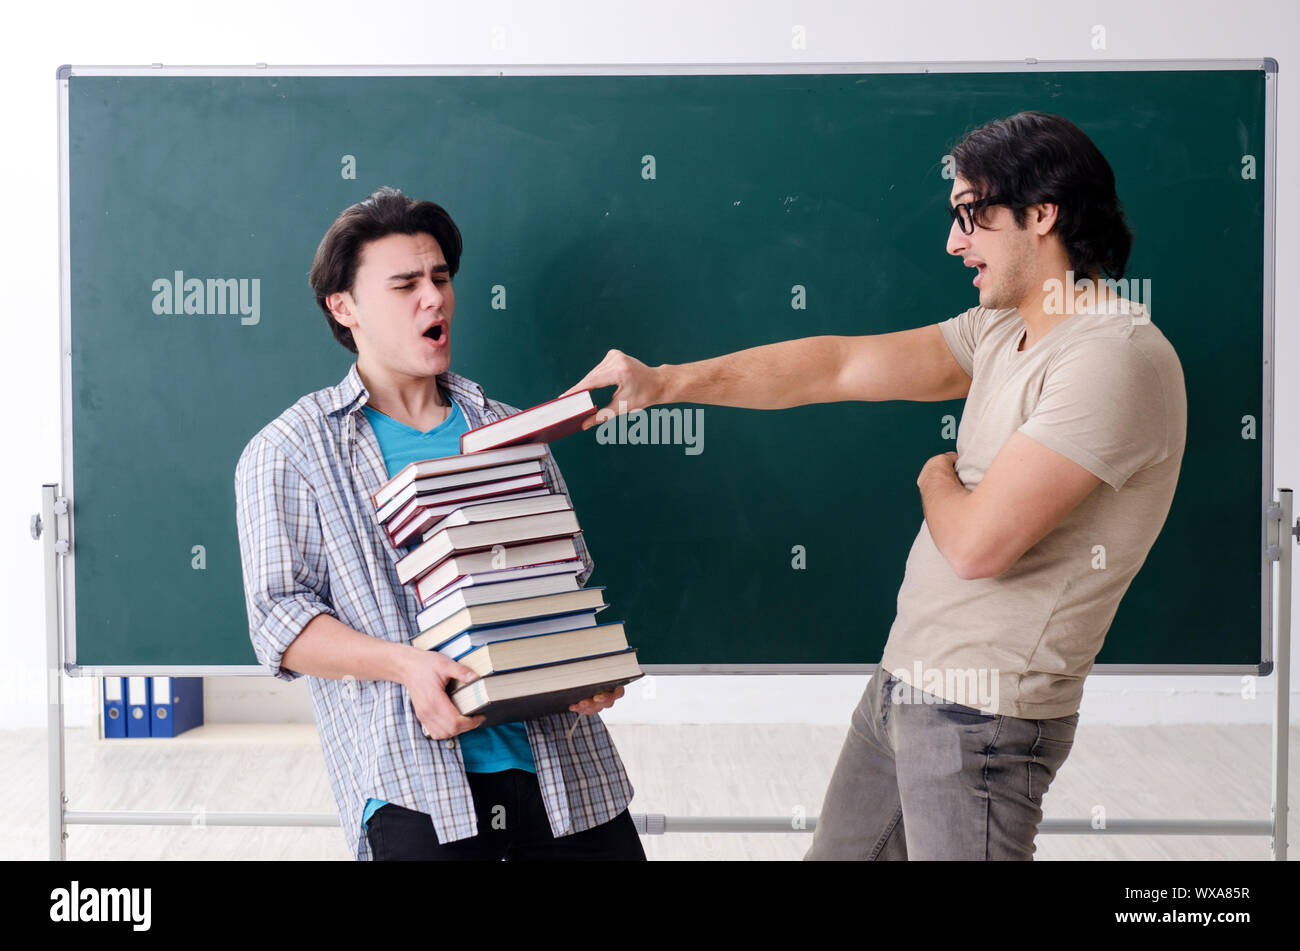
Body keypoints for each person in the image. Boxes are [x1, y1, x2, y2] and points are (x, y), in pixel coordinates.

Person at [561, 111, 1187, 860]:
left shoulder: (1110, 357)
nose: (954, 242)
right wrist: (666, 382)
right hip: (905, 687)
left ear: (1043, 213)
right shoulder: (1001, 330)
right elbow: (837, 366)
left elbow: (980, 544)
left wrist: (936, 471)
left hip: (984, 719)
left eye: (971, 216)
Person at [234, 186, 645, 861]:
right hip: (417, 790)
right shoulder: (291, 450)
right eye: (405, 285)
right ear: (345, 307)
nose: (434, 298)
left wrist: (585, 665)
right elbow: (280, 619)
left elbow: (568, 576)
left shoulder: (511, 429)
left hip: (568, 777)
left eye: (441, 279)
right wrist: (407, 666)